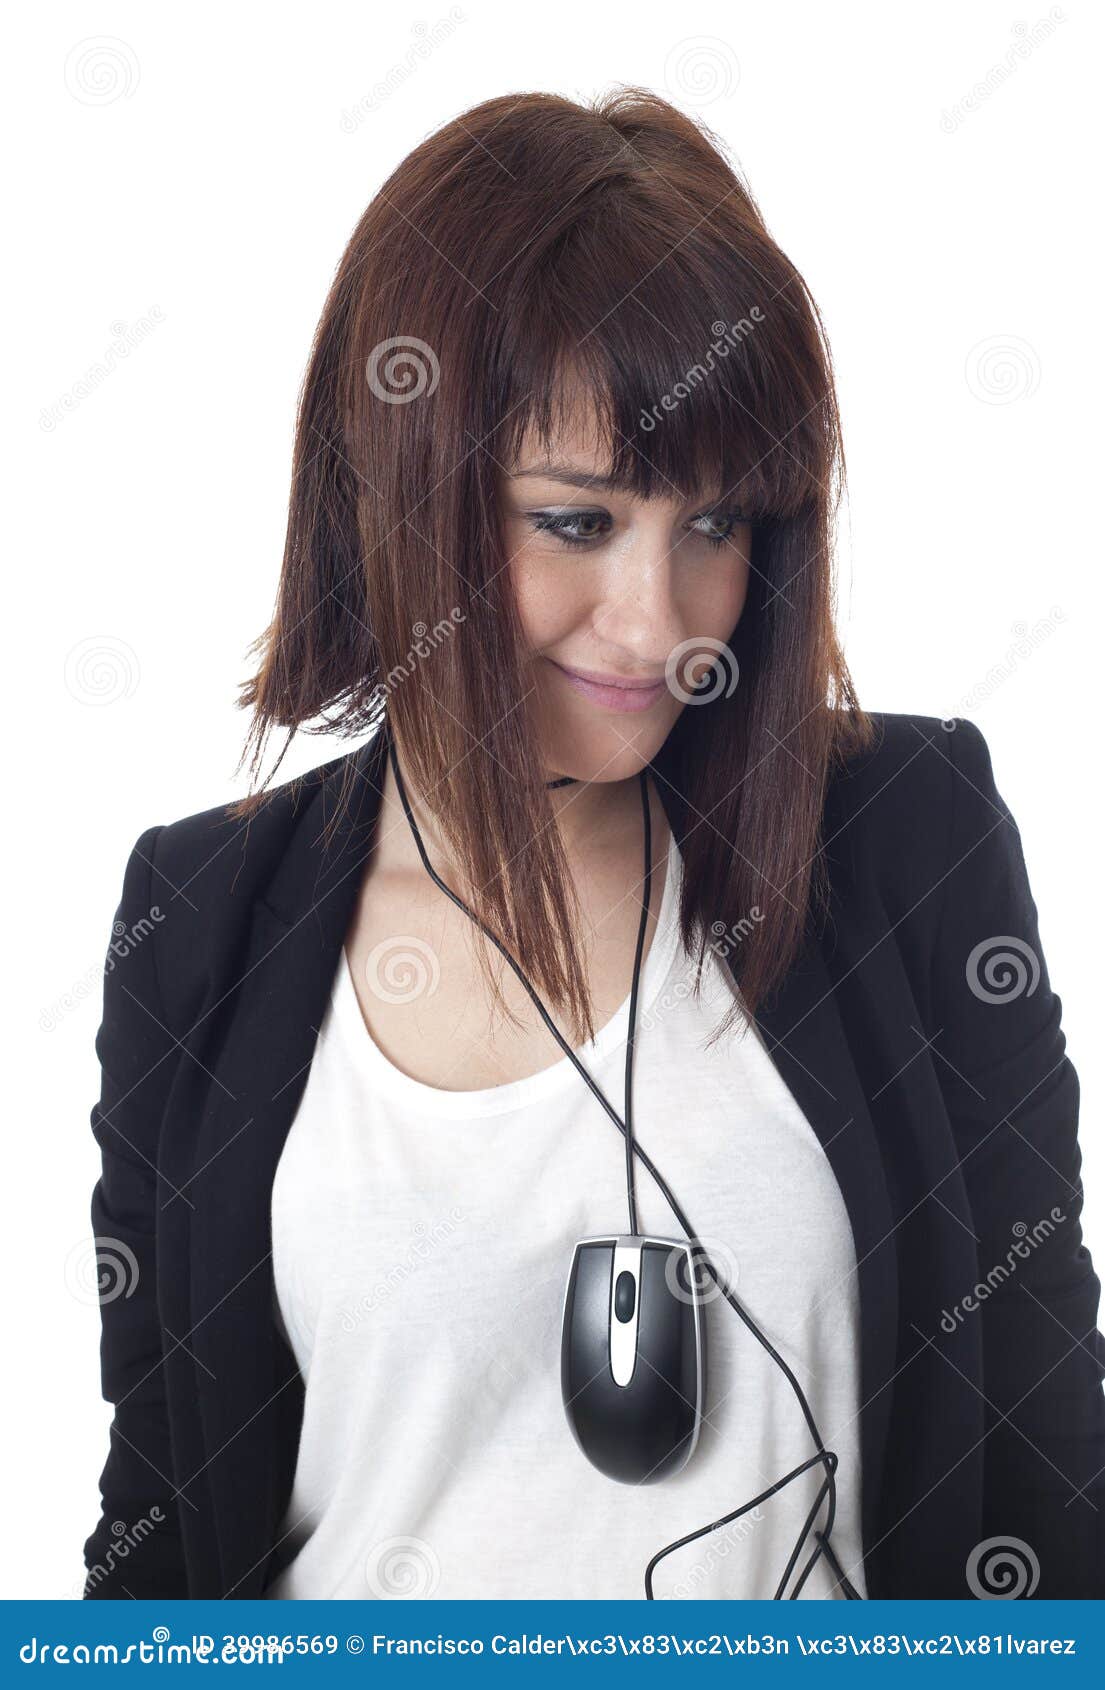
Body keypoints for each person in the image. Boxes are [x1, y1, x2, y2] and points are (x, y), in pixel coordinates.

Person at [81, 88, 1105, 1602]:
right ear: (395, 491)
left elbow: (1048, 1458)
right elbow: (158, 1527)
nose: (661, 624)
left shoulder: (909, 842)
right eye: (575, 522)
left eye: (716, 524)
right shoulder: (203, 918)